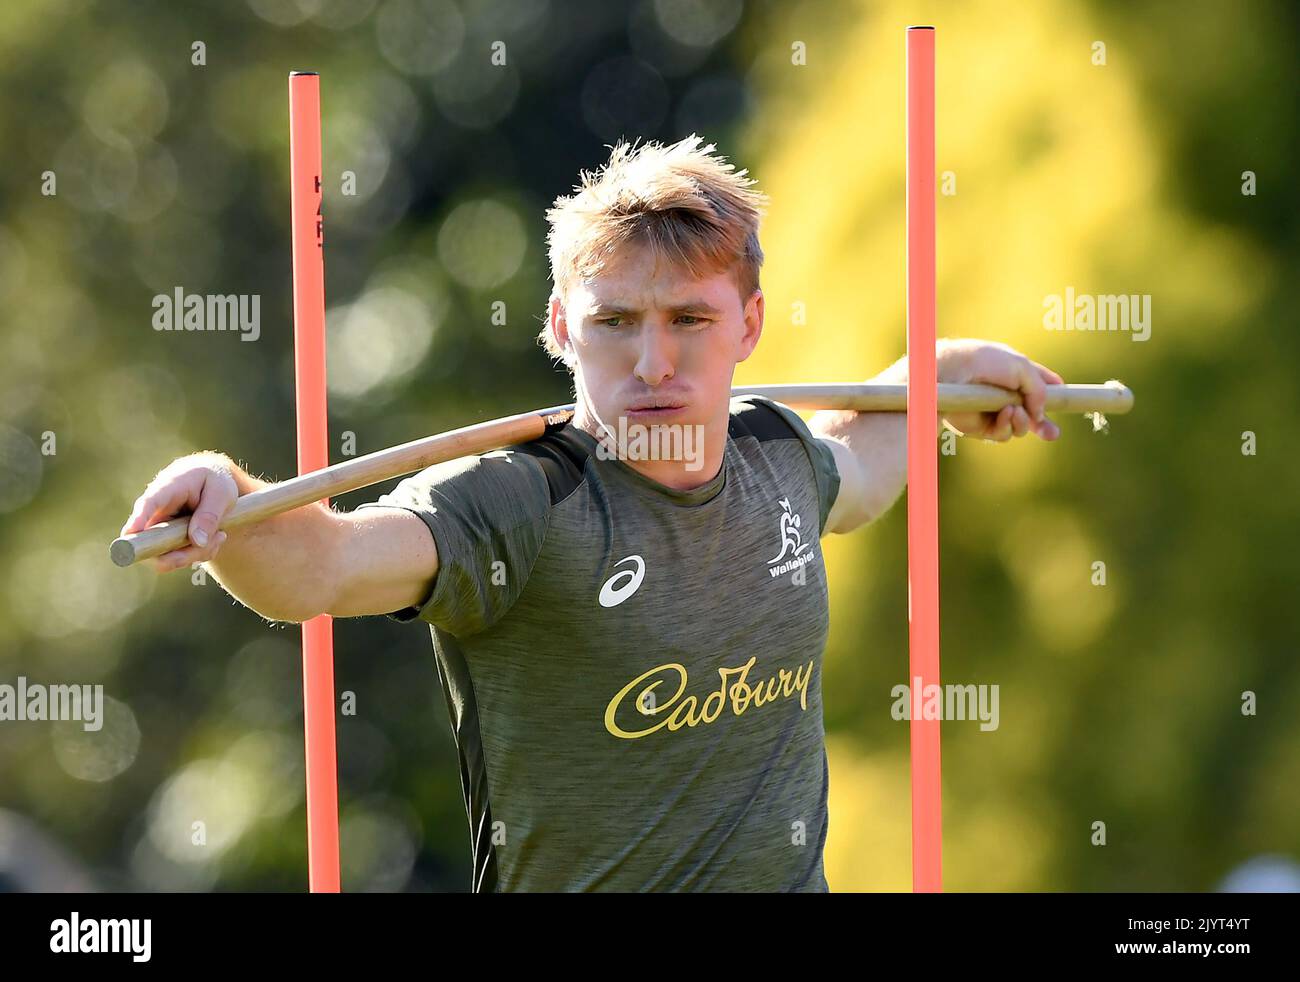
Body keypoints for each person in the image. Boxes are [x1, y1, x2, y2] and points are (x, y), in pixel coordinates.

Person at [119, 134, 1063, 892]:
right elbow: (318, 569)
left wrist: (946, 372)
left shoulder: (777, 454)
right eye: (616, 321)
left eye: (689, 320)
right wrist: (225, 500)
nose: (653, 363)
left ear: (750, 324)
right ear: (564, 326)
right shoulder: (516, 501)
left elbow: (863, 458)